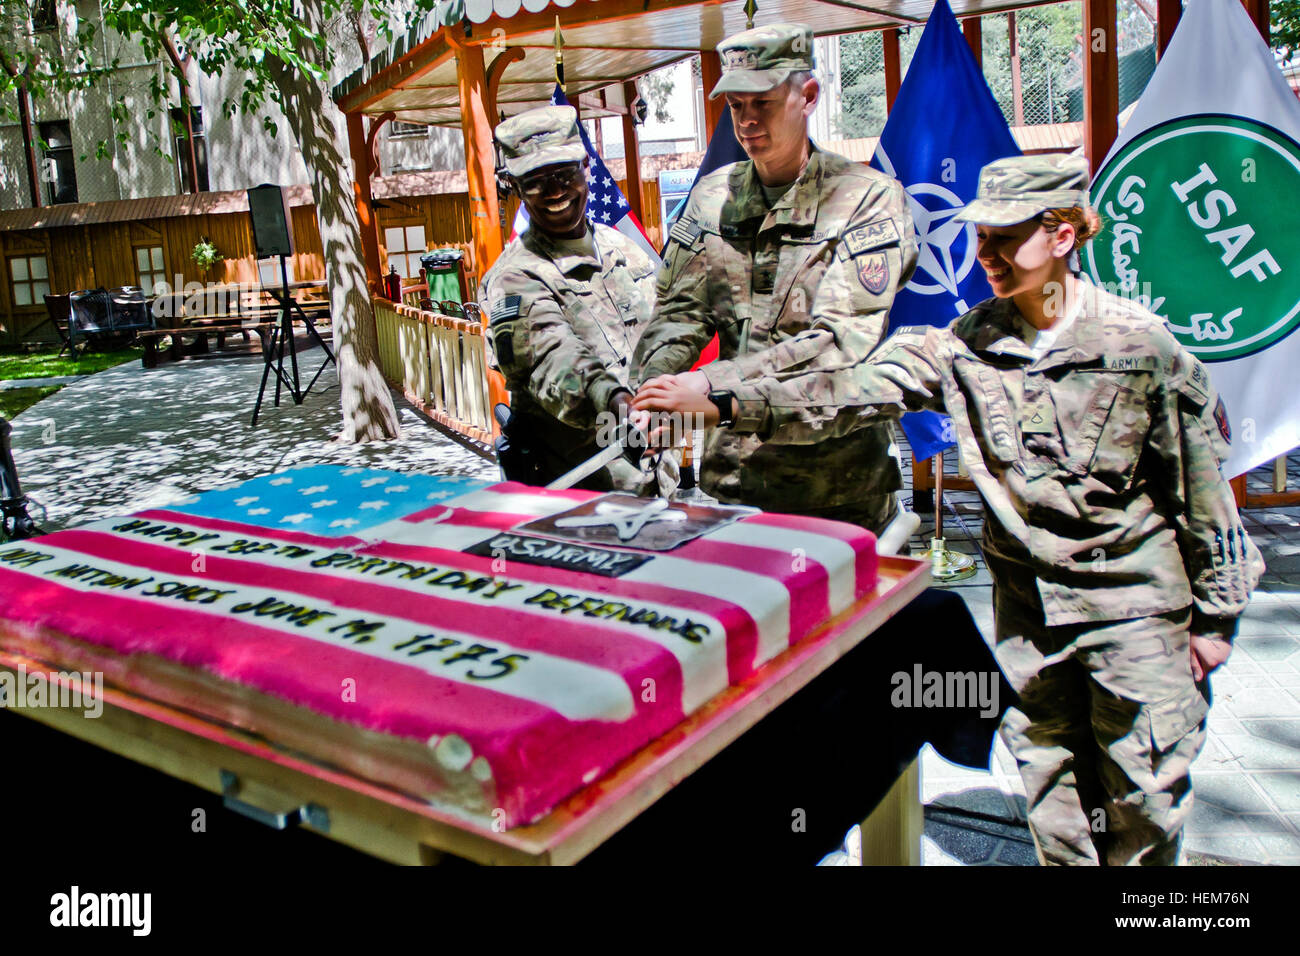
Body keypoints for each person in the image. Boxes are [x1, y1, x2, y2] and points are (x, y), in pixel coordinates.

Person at [634, 154, 1265, 866]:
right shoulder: (968, 345)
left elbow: (1204, 494)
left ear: (1063, 236)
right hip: (1032, 627)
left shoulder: (1140, 348)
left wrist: (1215, 623)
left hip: (1135, 621)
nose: (984, 254)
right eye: (980, 236)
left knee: (1141, 817)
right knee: (1058, 816)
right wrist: (720, 398)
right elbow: (849, 389)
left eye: (1005, 236)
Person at [631, 22, 918, 534]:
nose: (747, 120)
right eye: (736, 105)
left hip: (837, 487)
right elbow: (679, 313)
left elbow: (835, 345)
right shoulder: (711, 198)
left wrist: (708, 384)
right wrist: (651, 391)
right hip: (734, 481)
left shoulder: (867, 199)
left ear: (807, 96)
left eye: (762, 100)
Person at [480, 105, 657, 491]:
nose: (556, 191)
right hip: (579, 493)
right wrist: (617, 402)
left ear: (586, 168)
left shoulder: (625, 250)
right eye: (536, 181)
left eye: (565, 173)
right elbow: (552, 358)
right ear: (515, 187)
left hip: (654, 481)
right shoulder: (515, 276)